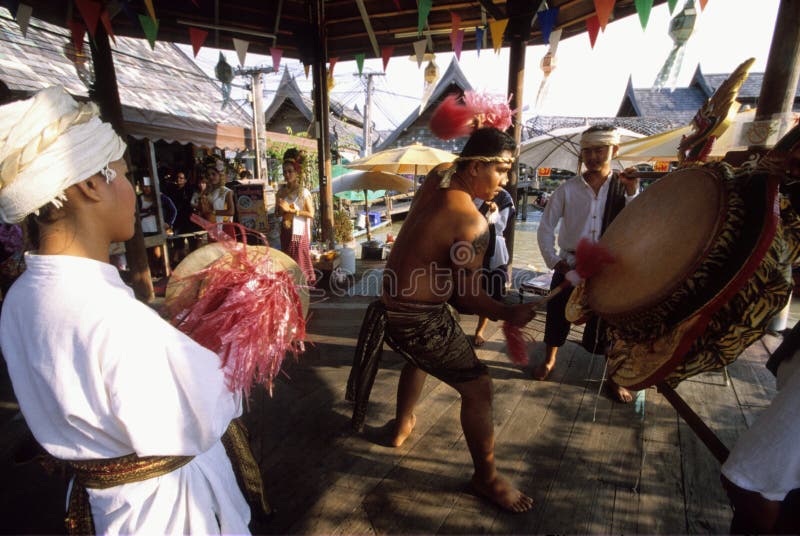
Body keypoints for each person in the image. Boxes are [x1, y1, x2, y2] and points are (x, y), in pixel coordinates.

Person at [0, 86, 265, 534]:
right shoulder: (109, 315)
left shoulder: (22, 297)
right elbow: (205, 412)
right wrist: (240, 332)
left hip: (108, 506)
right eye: (123, 174)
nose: (135, 191)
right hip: (164, 514)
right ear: (89, 184)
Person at [349, 127, 538, 513]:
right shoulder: (471, 224)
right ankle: (485, 478)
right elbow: (467, 297)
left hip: (393, 307)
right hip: (417, 319)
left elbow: (451, 277)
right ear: (475, 165)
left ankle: (402, 425)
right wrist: (506, 312)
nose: (505, 181)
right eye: (501, 169)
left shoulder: (440, 176)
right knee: (479, 388)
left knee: (418, 359)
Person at [535, 125, 640, 403]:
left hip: (608, 269)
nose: (593, 156)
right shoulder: (567, 189)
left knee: (612, 324)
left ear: (614, 150)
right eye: (588, 150)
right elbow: (545, 228)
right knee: (556, 314)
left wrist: (632, 193)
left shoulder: (624, 187)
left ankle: (613, 377)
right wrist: (556, 263)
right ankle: (550, 360)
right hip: (570, 264)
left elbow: (636, 225)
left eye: (600, 150)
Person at [473, 188, 515, 347]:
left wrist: (490, 211)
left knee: (488, 292)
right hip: (467, 245)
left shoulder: (504, 197)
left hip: (493, 248)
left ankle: (480, 329)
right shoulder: (469, 192)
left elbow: (498, 227)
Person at [275, 148, 316, 285]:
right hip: (285, 230)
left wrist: (291, 211)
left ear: (297, 172)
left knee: (299, 262)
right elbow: (277, 214)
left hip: (299, 232)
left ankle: (303, 291)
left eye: (290, 171)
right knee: (287, 261)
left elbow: (311, 214)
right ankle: (291, 290)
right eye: (284, 171)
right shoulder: (280, 192)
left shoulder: (303, 192)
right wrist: (281, 211)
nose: (287, 174)